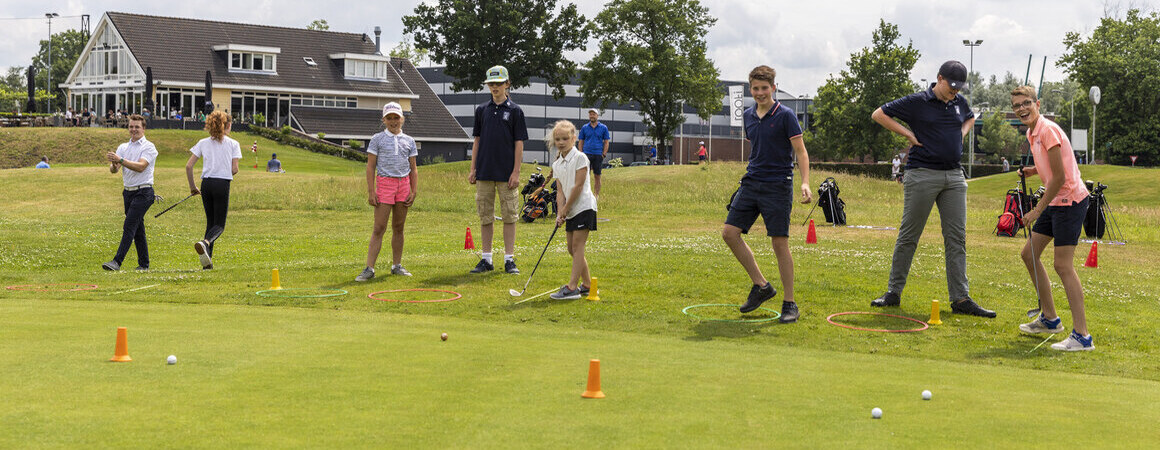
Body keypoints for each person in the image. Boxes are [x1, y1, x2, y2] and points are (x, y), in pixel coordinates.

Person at [869, 60, 995, 317]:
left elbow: (970, 118)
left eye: (959, 88)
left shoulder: (959, 102)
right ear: (939, 79)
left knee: (957, 238)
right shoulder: (917, 101)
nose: (955, 92)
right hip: (922, 174)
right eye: (951, 86)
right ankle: (893, 293)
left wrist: (961, 133)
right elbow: (878, 114)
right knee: (909, 235)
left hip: (954, 177)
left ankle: (961, 299)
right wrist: (907, 134)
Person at [722, 65, 811, 323]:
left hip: (778, 185)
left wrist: (804, 183)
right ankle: (761, 286)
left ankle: (790, 303)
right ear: (751, 89)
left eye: (764, 88)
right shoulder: (749, 116)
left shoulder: (786, 116)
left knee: (779, 243)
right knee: (729, 233)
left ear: (774, 87)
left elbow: (801, 152)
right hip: (751, 183)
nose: (760, 93)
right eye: (755, 88)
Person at [1011, 86, 1093, 351]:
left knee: (1062, 265)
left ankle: (1082, 336)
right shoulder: (1031, 132)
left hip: (1070, 201)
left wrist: (1036, 210)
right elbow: (1053, 166)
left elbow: (1059, 177)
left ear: (1037, 103)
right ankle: (1049, 319)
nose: (1021, 109)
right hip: (1056, 200)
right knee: (1029, 254)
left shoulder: (1048, 130)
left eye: (1026, 103)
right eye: (1016, 106)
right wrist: (1035, 170)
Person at [468, 65, 527, 274]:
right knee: (486, 216)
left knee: (509, 216)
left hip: (506, 173)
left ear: (507, 84)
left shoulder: (515, 111)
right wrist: (473, 168)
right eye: (491, 84)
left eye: (499, 83)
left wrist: (516, 172)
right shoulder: (481, 110)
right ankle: (486, 259)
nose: (495, 87)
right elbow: (477, 140)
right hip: (484, 171)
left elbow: (519, 143)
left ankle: (509, 259)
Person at [356, 102, 418, 281]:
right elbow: (370, 167)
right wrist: (371, 191)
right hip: (384, 185)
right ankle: (369, 268)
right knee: (379, 227)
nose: (393, 121)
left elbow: (413, 168)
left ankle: (396, 265)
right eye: (389, 118)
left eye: (396, 118)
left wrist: (414, 190)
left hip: (403, 185)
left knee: (399, 227)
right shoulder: (377, 139)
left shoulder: (409, 141)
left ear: (402, 119)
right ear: (384, 120)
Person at [546, 120, 598, 300]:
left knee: (577, 246)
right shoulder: (557, 164)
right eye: (558, 139)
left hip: (583, 206)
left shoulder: (580, 158)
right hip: (570, 209)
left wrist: (566, 209)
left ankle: (572, 287)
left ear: (574, 138)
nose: (561, 142)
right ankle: (588, 285)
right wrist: (560, 212)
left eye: (565, 138)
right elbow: (560, 191)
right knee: (571, 248)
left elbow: (578, 186)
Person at [185, 110, 242, 270]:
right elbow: (235, 169)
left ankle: (207, 262)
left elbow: (189, 166)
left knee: (211, 223)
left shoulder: (203, 143)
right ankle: (205, 243)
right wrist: (224, 172)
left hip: (206, 184)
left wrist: (192, 187)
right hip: (222, 184)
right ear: (228, 125)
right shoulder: (233, 144)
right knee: (220, 225)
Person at [102, 115, 157, 271]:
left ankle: (116, 262)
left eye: (137, 127)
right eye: (131, 127)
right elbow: (114, 170)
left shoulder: (149, 147)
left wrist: (120, 160)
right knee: (138, 228)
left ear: (143, 129)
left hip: (144, 191)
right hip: (128, 192)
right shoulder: (123, 147)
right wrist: (114, 163)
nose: (133, 130)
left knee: (129, 225)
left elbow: (141, 167)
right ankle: (144, 264)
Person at [577, 108, 610, 196]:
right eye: (590, 114)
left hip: (598, 155)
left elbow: (606, 142)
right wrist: (580, 153)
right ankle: (585, 195)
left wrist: (604, 154)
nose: (592, 116)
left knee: (597, 176)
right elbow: (581, 141)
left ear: (597, 116)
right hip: (586, 154)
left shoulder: (603, 128)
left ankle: (596, 196)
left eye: (593, 114)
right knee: (585, 176)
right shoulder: (584, 127)